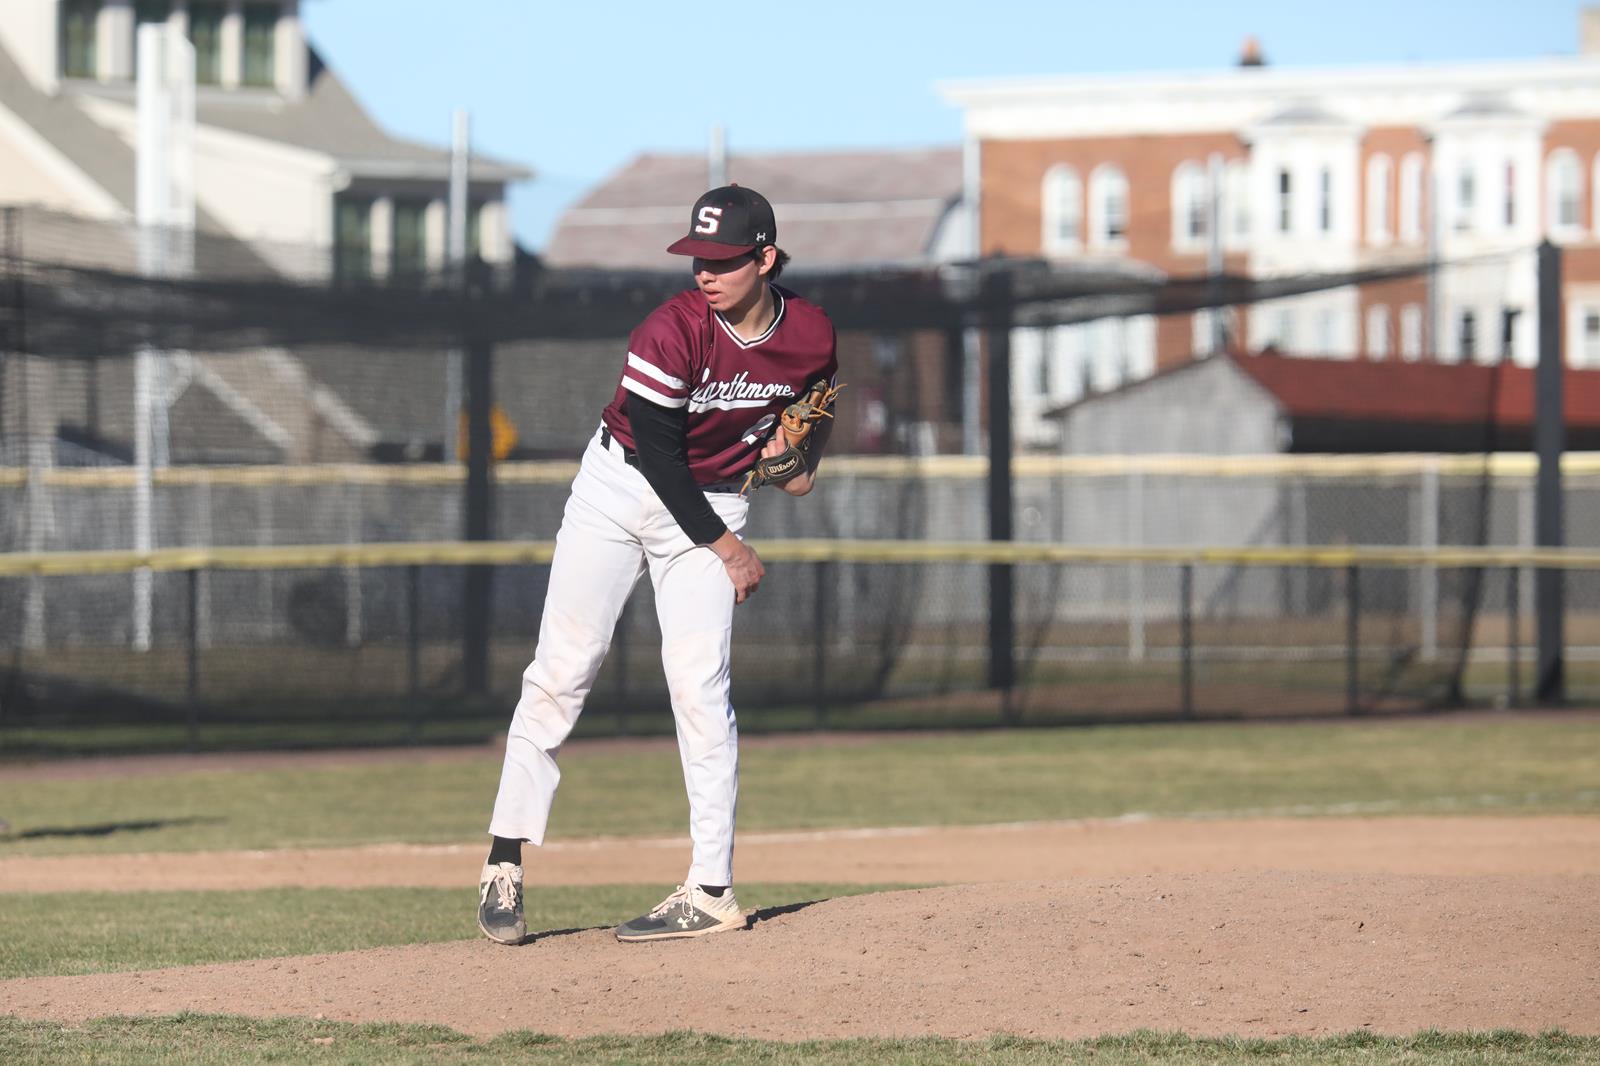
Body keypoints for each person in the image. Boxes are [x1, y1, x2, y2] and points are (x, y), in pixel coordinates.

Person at [477, 185, 838, 945]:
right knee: (563, 669)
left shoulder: (810, 334)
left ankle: (711, 889)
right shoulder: (669, 331)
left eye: (723, 259)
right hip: (621, 490)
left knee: (701, 685)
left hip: (717, 501)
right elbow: (663, 462)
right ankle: (504, 861)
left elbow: (803, 465)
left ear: (765, 258)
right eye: (697, 257)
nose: (705, 272)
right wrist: (731, 551)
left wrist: (790, 464)